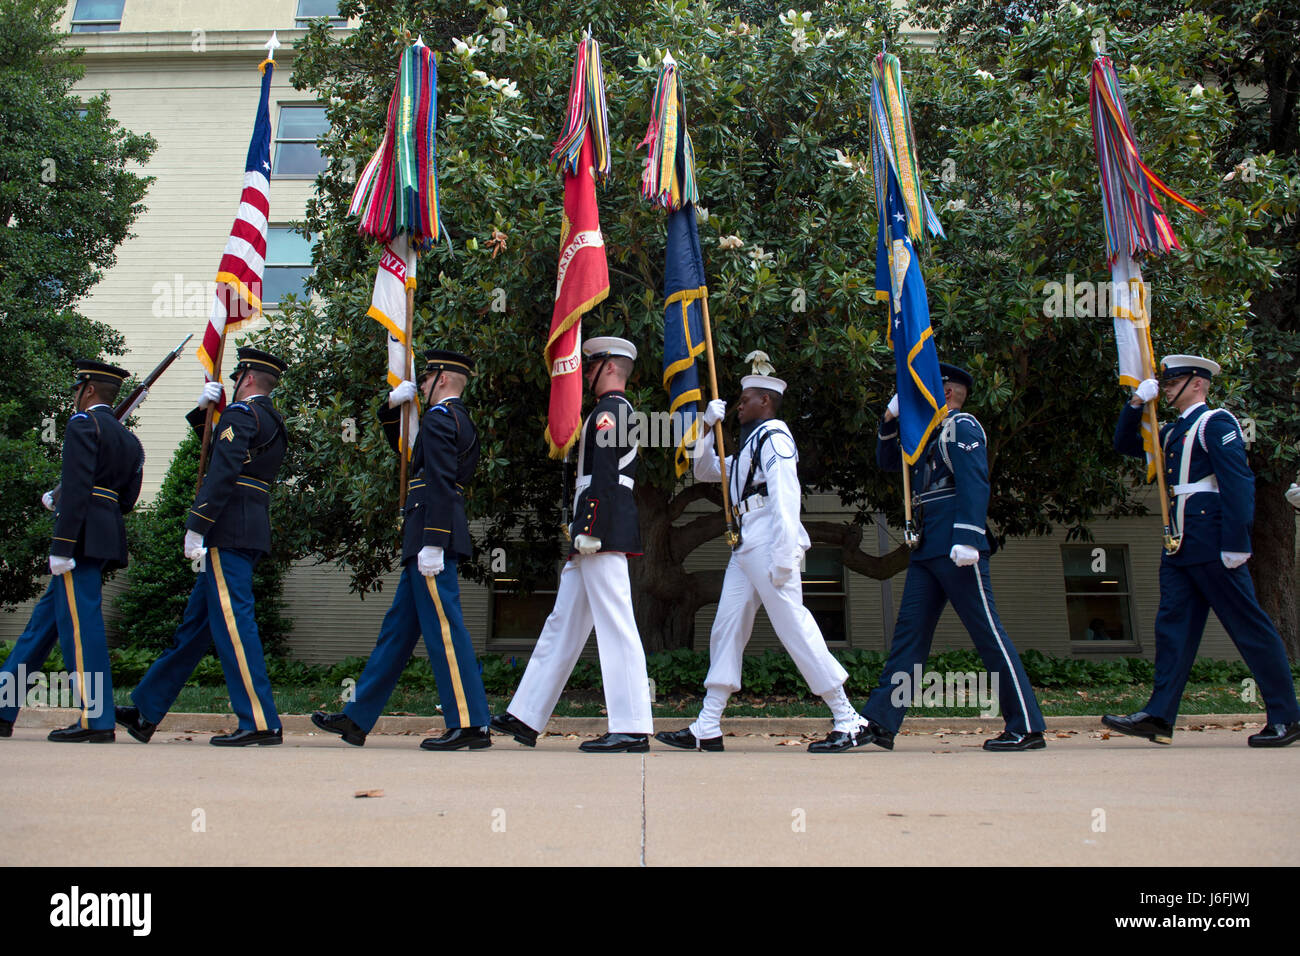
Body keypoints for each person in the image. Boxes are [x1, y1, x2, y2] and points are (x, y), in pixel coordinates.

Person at [816, 363, 1047, 753]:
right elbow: (889, 461)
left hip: (957, 545)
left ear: (948, 393)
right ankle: (881, 721)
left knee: (988, 635)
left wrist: (970, 536)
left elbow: (975, 480)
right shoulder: (929, 434)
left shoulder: (962, 426)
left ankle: (1026, 725)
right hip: (926, 546)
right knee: (909, 637)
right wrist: (890, 417)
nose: (918, 395)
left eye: (926, 389)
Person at [655, 363, 866, 752]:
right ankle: (708, 724)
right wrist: (704, 429)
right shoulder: (750, 446)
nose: (738, 406)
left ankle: (847, 717)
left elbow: (786, 495)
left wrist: (786, 553)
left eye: (745, 400)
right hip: (745, 544)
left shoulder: (775, 437)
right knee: (727, 628)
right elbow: (704, 470)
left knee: (793, 626)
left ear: (765, 401)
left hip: (769, 541)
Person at [1104, 354, 1300, 747]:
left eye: (1173, 381)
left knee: (1249, 629)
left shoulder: (1217, 422)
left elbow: (1239, 485)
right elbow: (1125, 444)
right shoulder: (1174, 431)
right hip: (1179, 542)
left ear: (1197, 383)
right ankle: (1159, 716)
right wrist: (1136, 404)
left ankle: (1287, 716)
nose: (1167, 388)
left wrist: (1236, 543)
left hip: (1212, 541)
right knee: (1172, 629)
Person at [312, 349, 492, 750]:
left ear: (442, 379)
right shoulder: (451, 420)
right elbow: (409, 455)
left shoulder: (443, 419)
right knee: (396, 632)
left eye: (426, 379)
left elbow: (442, 482)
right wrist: (392, 409)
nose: (421, 385)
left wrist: (433, 541)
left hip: (431, 536)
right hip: (425, 533)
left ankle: (470, 723)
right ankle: (358, 716)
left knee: (446, 630)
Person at [116, 347, 289, 746]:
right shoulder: (271, 420)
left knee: (234, 624)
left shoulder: (242, 414)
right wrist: (203, 416)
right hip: (248, 527)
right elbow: (230, 453)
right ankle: (146, 711)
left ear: (245, 378)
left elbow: (223, 470)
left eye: (234, 378)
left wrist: (198, 525)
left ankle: (260, 721)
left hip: (227, 531)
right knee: (193, 630)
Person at [491, 336, 654, 753]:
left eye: (592, 365)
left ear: (611, 368)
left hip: (603, 524)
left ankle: (633, 726)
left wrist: (590, 524)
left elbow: (602, 475)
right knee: (563, 623)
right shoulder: (608, 411)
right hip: (595, 522)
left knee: (616, 622)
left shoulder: (612, 411)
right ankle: (527, 715)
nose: (584, 373)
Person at [0, 361, 143, 742]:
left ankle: (95, 719)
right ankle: (2, 707)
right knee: (39, 629)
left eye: (77, 389)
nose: (73, 397)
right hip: (101, 536)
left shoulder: (83, 425)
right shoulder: (129, 440)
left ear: (89, 390)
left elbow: (79, 487)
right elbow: (125, 499)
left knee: (84, 630)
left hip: (77, 541)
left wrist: (62, 545)